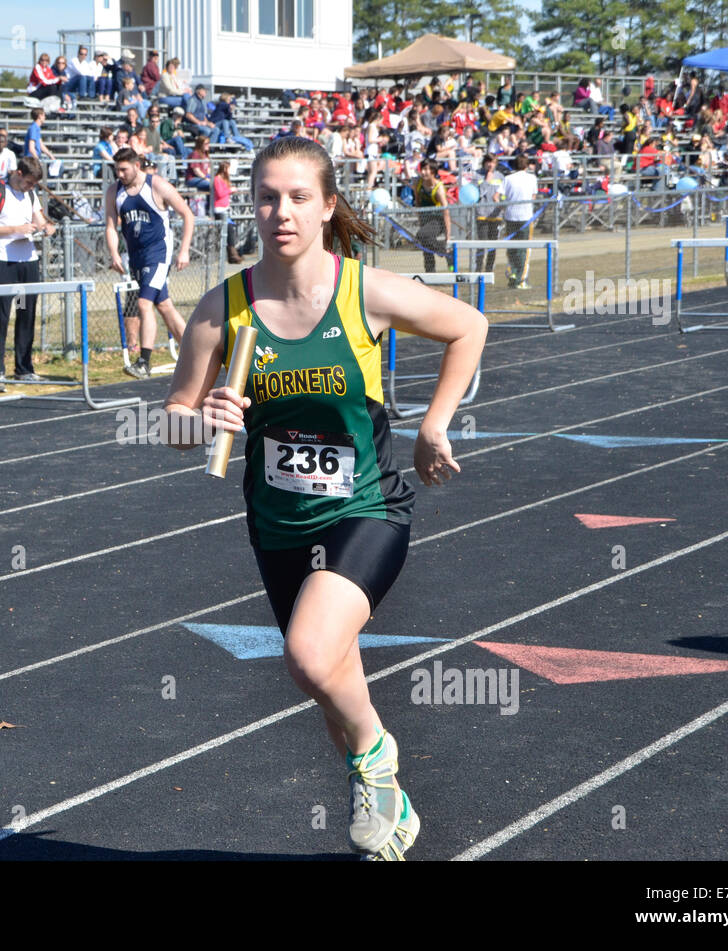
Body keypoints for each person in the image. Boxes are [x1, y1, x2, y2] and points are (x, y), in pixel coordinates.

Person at [162, 133, 485, 861]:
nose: (282, 211)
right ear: (251, 205)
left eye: (299, 197)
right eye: (268, 196)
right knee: (331, 694)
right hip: (277, 525)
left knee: (310, 657)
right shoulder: (224, 309)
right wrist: (200, 416)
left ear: (327, 205)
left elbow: (469, 325)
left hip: (364, 508)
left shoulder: (361, 291)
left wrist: (435, 424)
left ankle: (378, 762)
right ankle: (386, 822)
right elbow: (176, 420)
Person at [104, 146, 192, 379]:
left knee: (144, 304)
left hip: (158, 254)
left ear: (136, 165)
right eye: (117, 170)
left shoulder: (157, 185)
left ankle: (144, 362)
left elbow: (187, 214)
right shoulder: (115, 191)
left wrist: (184, 251)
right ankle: (195, 352)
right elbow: (111, 226)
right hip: (136, 257)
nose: (120, 175)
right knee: (164, 306)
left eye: (123, 169)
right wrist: (114, 254)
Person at [0, 156, 56, 391]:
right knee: (1, 316)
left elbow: (40, 220)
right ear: (19, 174)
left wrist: (46, 227)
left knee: (26, 314)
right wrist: (15, 230)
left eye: (34, 184)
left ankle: (24, 368)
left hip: (27, 262)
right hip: (5, 263)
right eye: (29, 182)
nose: (31, 187)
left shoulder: (30, 195)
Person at [501, 153, 537, 288]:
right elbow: (533, 196)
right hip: (525, 218)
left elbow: (497, 196)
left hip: (510, 217)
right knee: (524, 249)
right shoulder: (531, 178)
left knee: (513, 247)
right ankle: (520, 279)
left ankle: (513, 273)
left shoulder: (508, 178)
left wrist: (504, 207)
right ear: (526, 166)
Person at [413, 159, 451, 272]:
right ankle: (430, 272)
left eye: (426, 169)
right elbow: (418, 203)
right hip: (425, 220)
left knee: (422, 235)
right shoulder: (418, 184)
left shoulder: (438, 188)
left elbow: (446, 212)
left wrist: (447, 236)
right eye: (422, 169)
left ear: (433, 171)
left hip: (438, 221)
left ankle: (447, 253)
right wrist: (420, 220)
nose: (423, 172)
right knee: (426, 246)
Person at [473, 153, 504, 274]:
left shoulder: (500, 176)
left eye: (493, 162)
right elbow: (477, 195)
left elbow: (503, 194)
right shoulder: (477, 176)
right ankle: (478, 270)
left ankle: (489, 270)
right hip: (482, 215)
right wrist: (486, 181)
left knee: (493, 246)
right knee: (481, 244)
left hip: (496, 216)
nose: (490, 165)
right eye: (488, 162)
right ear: (484, 162)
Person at [212, 160, 240, 263]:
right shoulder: (217, 179)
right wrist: (230, 190)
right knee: (229, 230)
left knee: (231, 230)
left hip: (225, 208)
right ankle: (232, 254)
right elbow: (220, 193)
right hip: (220, 210)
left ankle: (232, 254)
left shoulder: (224, 179)